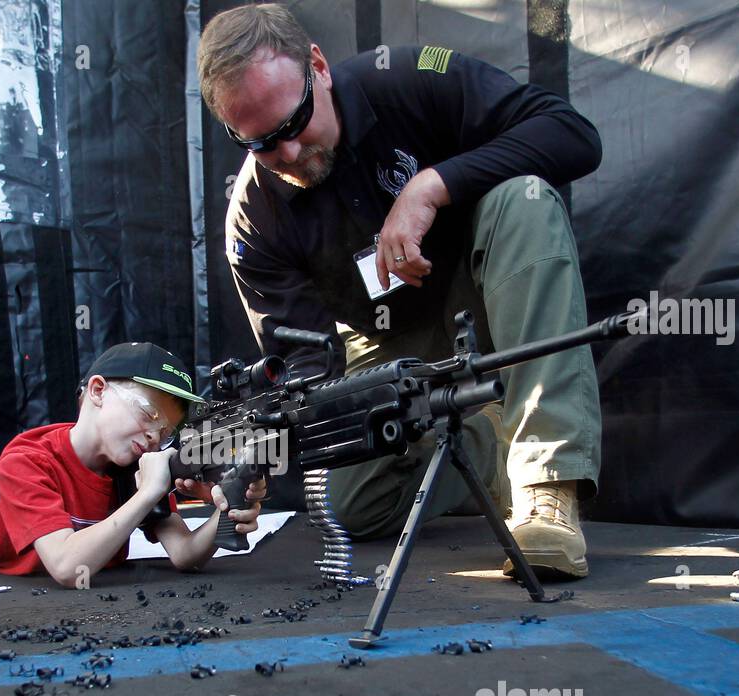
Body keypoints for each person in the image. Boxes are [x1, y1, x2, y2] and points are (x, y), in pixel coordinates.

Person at [199, 3, 604, 577]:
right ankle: (483, 437)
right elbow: (305, 364)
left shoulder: (409, 79)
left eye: (293, 124)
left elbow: (574, 136)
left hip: (492, 295)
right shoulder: (253, 218)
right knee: (345, 502)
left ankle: (547, 486)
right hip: (381, 347)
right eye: (259, 142)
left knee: (527, 200)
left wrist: (432, 186)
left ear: (318, 66)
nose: (287, 154)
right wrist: (260, 447)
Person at [0, 341, 266, 587]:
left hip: (42, 518)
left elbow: (183, 553)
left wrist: (223, 511)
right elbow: (65, 566)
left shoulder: (136, 468)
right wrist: (147, 494)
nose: (153, 436)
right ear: (98, 390)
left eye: (165, 430)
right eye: (148, 413)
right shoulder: (26, 460)